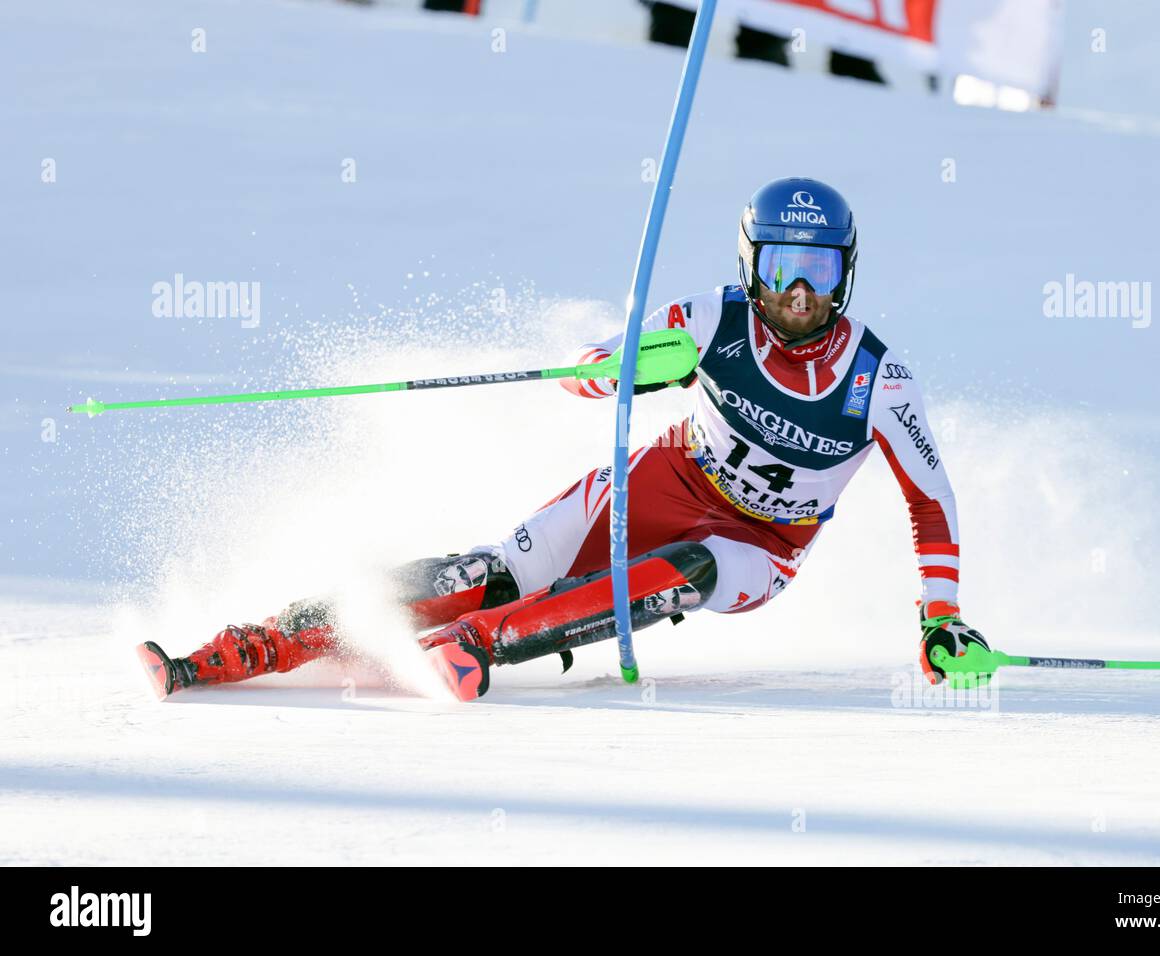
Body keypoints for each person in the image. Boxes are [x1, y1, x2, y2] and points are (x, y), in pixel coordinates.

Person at [136, 177, 989, 702]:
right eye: (780, 269)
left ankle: (483, 646)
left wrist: (940, 619)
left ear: (849, 271)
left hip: (762, 545)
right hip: (664, 479)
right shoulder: (710, 321)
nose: (799, 293)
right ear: (748, 267)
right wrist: (603, 368)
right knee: (489, 572)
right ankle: (261, 641)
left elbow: (933, 505)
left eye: (822, 271)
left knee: (686, 573)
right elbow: (613, 360)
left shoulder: (881, 381)